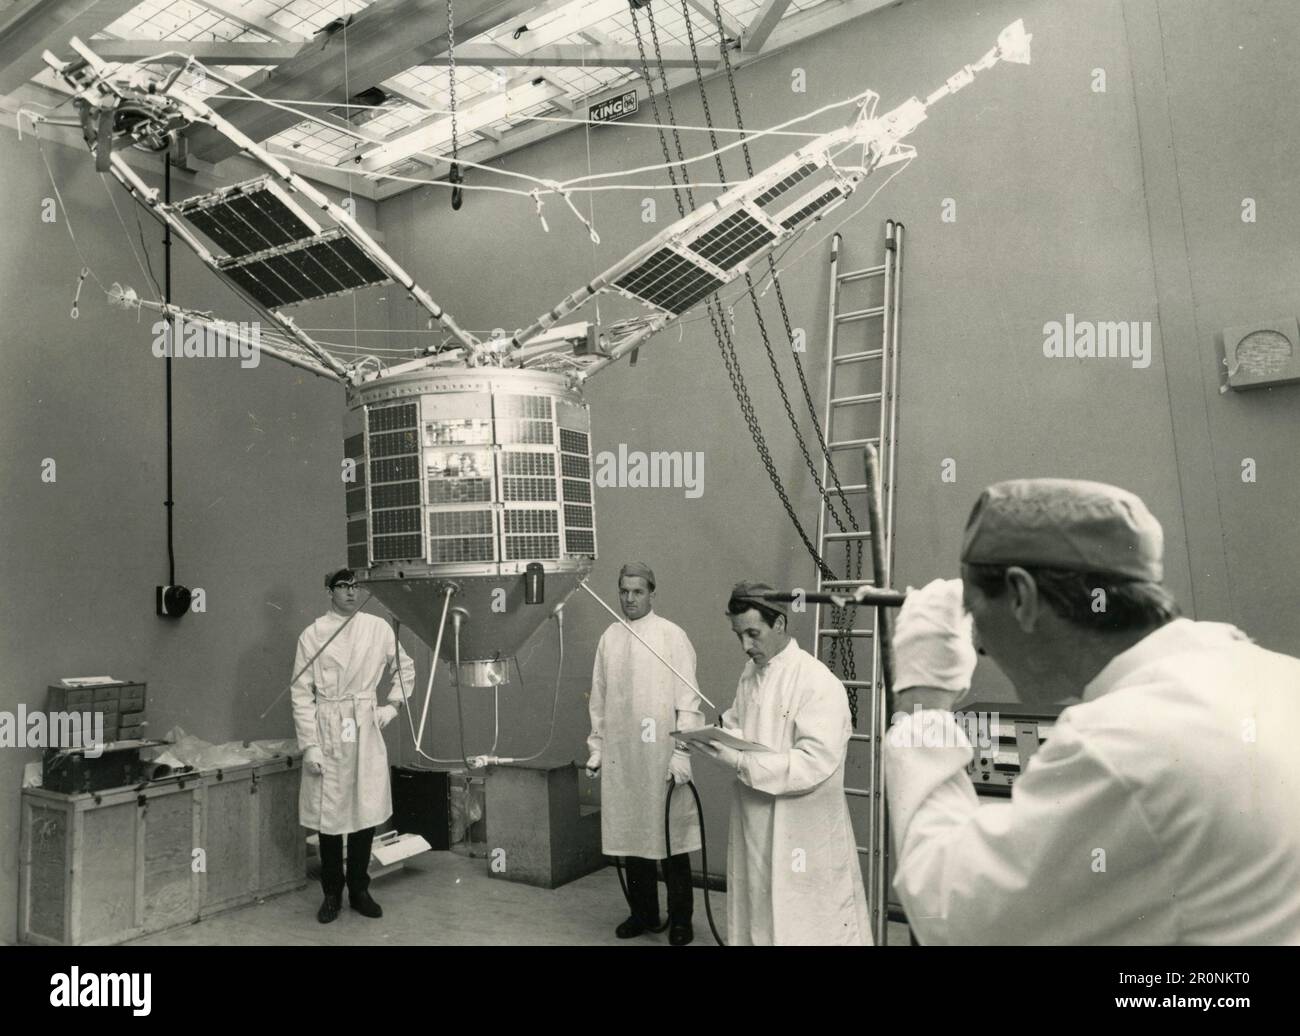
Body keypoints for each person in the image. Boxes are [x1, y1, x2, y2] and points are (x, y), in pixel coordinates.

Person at [884, 478, 1300, 944]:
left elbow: (952, 912)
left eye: (975, 614)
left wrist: (922, 705)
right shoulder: (1280, 677)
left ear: (1021, 595)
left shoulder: (1117, 744)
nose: (978, 644)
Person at [688, 582, 871, 945]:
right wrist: (718, 730)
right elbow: (743, 721)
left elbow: (815, 763)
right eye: (739, 635)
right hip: (755, 823)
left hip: (801, 830)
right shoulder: (751, 673)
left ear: (781, 625)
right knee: (758, 913)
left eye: (753, 634)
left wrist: (741, 763)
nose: (745, 646)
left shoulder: (817, 682)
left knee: (804, 922)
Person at [586, 562, 704, 945]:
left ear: (652, 592)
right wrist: (598, 748)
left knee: (671, 841)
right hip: (625, 757)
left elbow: (689, 701)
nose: (629, 599)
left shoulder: (672, 636)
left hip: (663, 756)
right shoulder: (610, 637)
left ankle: (681, 919)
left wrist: (682, 752)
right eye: (623, 591)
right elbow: (600, 700)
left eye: (637, 592)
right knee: (634, 840)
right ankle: (643, 913)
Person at [291, 568, 415, 924]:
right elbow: (301, 695)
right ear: (329, 591)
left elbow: (405, 669)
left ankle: (360, 889)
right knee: (329, 817)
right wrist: (310, 746)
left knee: (364, 810)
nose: (350, 593)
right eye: (343, 587)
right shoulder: (312, 635)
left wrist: (392, 705)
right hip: (327, 727)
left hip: (363, 724)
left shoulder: (377, 628)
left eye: (356, 587)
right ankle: (332, 893)